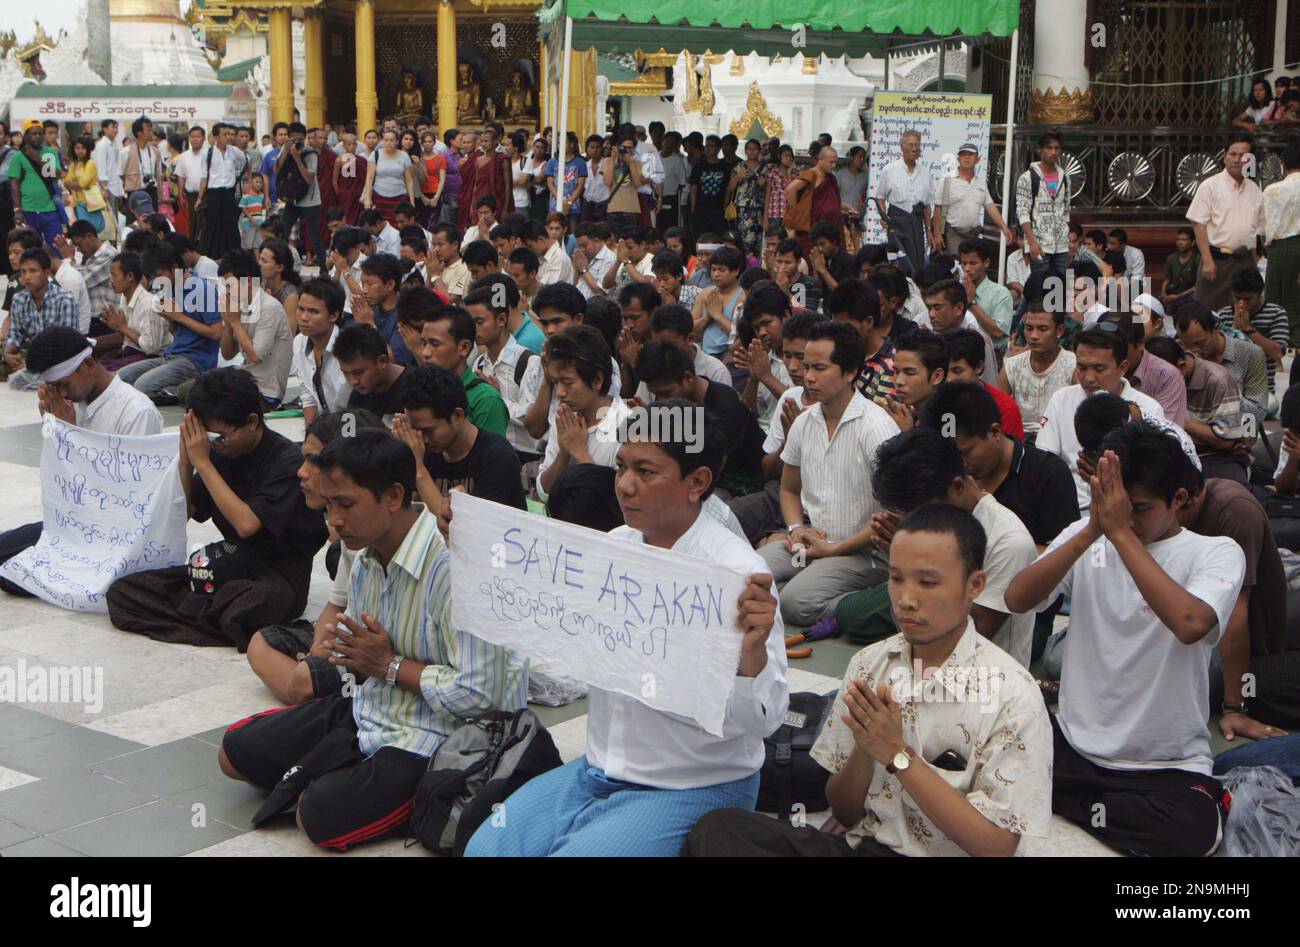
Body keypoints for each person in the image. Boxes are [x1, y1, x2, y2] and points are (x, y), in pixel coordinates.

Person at [466, 400, 788, 857]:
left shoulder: (737, 575)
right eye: (620, 467)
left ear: (697, 482)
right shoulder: (614, 549)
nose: (624, 486)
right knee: (484, 849)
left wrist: (750, 657)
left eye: (645, 471)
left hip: (692, 783)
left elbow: (763, 721)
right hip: (598, 769)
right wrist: (477, 555)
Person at [219, 428, 527, 851]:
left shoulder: (458, 569)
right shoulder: (364, 557)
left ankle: (374, 782)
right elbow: (363, 660)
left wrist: (389, 666)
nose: (334, 520)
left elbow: (485, 696)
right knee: (233, 753)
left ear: (394, 496)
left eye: (346, 504)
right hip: (370, 707)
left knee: (316, 816)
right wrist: (348, 656)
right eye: (329, 505)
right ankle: (346, 763)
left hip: (440, 735)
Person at [688, 503, 1051, 857]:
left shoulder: (1011, 693)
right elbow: (845, 815)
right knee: (718, 830)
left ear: (975, 585)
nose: (906, 599)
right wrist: (865, 748)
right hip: (866, 845)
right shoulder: (871, 663)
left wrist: (898, 754)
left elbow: (996, 847)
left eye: (927, 582)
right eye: (896, 578)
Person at [1005, 423, 1245, 857]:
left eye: (1140, 509)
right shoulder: (1090, 537)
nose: (1128, 520)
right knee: (983, 760)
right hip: (1075, 748)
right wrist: (1090, 532)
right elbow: (1017, 598)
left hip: (1164, 765)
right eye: (1118, 507)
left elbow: (1191, 623)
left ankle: (1070, 807)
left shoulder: (1216, 552)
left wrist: (1116, 532)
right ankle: (1090, 810)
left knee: (1192, 830)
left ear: (1178, 500)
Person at [107, 368, 329, 649]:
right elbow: (184, 512)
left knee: (250, 605)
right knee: (123, 591)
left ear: (251, 421)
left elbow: (246, 525)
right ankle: (213, 622)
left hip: (278, 575)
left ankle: (199, 615)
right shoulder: (218, 454)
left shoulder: (287, 461)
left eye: (221, 436)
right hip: (228, 563)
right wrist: (186, 464)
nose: (216, 445)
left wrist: (203, 463)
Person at [0, 326, 164, 592]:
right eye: (54, 387)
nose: (61, 394)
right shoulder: (73, 403)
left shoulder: (135, 412)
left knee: (12, 576)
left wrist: (72, 435)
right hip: (74, 525)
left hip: (111, 538)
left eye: (63, 385)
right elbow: (61, 484)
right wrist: (56, 433)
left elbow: (126, 501)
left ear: (88, 364)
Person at [758, 321, 898, 628]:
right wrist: (795, 529)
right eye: (807, 366)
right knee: (747, 572)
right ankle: (803, 587)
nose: (807, 376)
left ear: (850, 372)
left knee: (796, 603)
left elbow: (895, 512)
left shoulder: (875, 427)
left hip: (866, 554)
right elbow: (788, 490)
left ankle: (870, 603)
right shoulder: (804, 422)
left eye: (819, 368)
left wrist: (833, 549)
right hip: (811, 544)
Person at [245, 409, 388, 704]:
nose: (302, 471)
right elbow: (336, 604)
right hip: (344, 642)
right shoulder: (346, 529)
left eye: (315, 461)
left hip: (372, 653)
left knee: (301, 680)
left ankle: (321, 698)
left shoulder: (371, 527)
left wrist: (317, 661)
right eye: (304, 458)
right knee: (260, 644)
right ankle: (320, 696)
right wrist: (315, 654)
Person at [872, 426, 1038, 667]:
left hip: (985, 684)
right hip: (924, 667)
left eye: (921, 509)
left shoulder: (1008, 541)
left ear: (958, 486)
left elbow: (973, 636)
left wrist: (913, 568)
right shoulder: (930, 530)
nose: (914, 519)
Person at [1037, 325, 1168, 512]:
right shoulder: (1061, 398)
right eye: (1081, 368)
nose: (1088, 378)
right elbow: (1045, 459)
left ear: (1122, 367)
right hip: (1067, 507)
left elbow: (1154, 475)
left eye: (1099, 369)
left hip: (1127, 511)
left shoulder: (1148, 409)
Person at [393, 363, 526, 527]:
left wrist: (419, 469)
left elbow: (458, 529)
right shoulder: (422, 448)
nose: (422, 439)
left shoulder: (497, 456)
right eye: (414, 429)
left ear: (457, 416)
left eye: (428, 430)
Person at [636, 340, 765, 499]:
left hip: (737, 483)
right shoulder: (675, 406)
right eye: (656, 395)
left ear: (688, 378)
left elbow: (712, 470)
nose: (661, 401)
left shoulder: (725, 407)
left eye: (666, 393)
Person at [536, 324, 632, 501]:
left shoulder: (627, 428)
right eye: (556, 382)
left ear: (597, 380)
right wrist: (564, 453)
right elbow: (544, 492)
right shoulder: (566, 419)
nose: (559, 392)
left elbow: (614, 504)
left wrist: (580, 453)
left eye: (568, 382)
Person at [464, 278, 542, 461]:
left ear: (501, 320)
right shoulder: (479, 364)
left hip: (524, 457)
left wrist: (498, 398)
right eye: (470, 322)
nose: (473, 329)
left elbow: (532, 421)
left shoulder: (528, 362)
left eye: (479, 322)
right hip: (491, 454)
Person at [1187, 131, 1264, 311]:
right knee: (1206, 312)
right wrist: (1207, 260)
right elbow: (1198, 224)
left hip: (1245, 261)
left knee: (1245, 312)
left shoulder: (1255, 190)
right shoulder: (1210, 186)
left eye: (1244, 156)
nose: (1237, 160)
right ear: (1225, 157)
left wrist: (1257, 264)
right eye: (1233, 154)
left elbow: (1258, 230)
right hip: (1216, 260)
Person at [415, 304, 509, 436]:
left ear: (464, 348)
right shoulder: (420, 390)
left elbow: (492, 454)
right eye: (424, 343)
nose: (425, 352)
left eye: (435, 344)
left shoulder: (485, 401)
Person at [1173, 298, 1268, 428]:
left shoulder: (1251, 353)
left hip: (1240, 428)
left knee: (1248, 431)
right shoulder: (1180, 355)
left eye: (1200, 343)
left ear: (1215, 329)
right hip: (1195, 428)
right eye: (1187, 345)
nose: (1194, 350)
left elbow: (1259, 411)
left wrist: (1225, 394)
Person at [216, 249, 293, 407]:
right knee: (191, 389)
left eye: (230, 285)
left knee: (207, 399)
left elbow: (256, 356)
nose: (227, 291)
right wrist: (229, 324)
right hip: (245, 380)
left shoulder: (269, 307)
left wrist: (235, 323)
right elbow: (227, 354)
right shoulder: (238, 304)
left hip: (266, 392)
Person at [999, 294, 1076, 443]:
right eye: (1029, 328)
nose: (1034, 336)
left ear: (1059, 331)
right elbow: (997, 409)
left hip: (1060, 441)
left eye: (1042, 329)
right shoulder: (1011, 365)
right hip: (1018, 442)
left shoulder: (1073, 366)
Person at [4, 247, 81, 389]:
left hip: (57, 357)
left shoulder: (64, 300)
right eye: (23, 271)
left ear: (47, 273)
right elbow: (15, 332)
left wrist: (35, 362)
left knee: (62, 371)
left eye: (33, 271)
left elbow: (69, 344)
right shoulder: (19, 299)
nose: (27, 277)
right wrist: (9, 352)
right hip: (30, 353)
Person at [1213, 266, 1287, 397]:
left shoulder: (1276, 313)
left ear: (1260, 294)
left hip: (1261, 390)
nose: (1242, 304)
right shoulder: (1223, 315)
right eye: (1237, 298)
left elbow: (1277, 353)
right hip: (1229, 389)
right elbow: (1218, 356)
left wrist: (1248, 329)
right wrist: (1235, 329)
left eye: (1248, 299)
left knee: (1270, 407)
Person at [942, 329, 1025, 440]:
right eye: (944, 371)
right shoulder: (938, 402)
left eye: (957, 371)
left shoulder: (1004, 408)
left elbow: (1011, 454)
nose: (949, 379)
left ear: (979, 367)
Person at [99, 249, 171, 370]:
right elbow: (128, 339)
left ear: (130, 276)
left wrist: (122, 327)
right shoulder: (124, 297)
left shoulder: (149, 304)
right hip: (132, 352)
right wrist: (116, 326)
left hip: (153, 358)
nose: (111, 280)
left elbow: (151, 348)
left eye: (114, 275)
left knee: (109, 374)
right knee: (98, 365)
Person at [920, 280, 999, 388]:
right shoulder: (929, 339)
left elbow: (989, 386)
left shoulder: (980, 341)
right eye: (929, 308)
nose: (931, 314)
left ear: (958, 308)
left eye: (937, 308)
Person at [873, 131, 932, 274]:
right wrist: (883, 217)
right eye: (910, 145)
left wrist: (929, 230)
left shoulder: (925, 173)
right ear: (902, 147)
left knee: (916, 263)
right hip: (896, 223)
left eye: (917, 145)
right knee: (897, 262)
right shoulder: (890, 170)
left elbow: (926, 205)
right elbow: (880, 197)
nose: (914, 149)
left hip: (916, 224)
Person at [293, 277, 347, 423]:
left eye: (313, 312)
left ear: (333, 316)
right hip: (325, 425)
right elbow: (308, 396)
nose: (304, 317)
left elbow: (354, 407)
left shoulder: (348, 348)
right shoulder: (299, 342)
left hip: (353, 424)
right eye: (301, 309)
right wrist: (311, 434)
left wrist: (345, 441)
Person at [1263, 142, 1300, 346]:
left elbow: (1262, 228)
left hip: (1278, 247)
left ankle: (1277, 345)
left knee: (1275, 298)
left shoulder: (1272, 190)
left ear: (1284, 165)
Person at [352, 252, 416, 366]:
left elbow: (395, 360)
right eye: (362, 284)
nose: (364, 290)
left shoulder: (406, 315)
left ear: (390, 284)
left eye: (370, 284)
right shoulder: (373, 308)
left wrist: (369, 325)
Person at [335, 322, 410, 418]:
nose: (353, 381)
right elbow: (348, 432)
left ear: (382, 361)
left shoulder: (414, 389)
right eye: (345, 373)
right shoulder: (357, 395)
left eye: (358, 372)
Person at [10, 120, 65, 248]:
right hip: (28, 210)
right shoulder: (18, 156)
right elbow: (14, 184)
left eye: (40, 133)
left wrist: (38, 160)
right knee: (31, 248)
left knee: (57, 246)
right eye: (33, 134)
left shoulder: (50, 152)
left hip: (49, 208)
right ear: (26, 135)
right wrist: (17, 209)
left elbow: (56, 175)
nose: (37, 137)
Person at [958, 238, 1014, 355]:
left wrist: (971, 303)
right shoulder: (955, 290)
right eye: (963, 263)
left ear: (986, 263)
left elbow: (998, 332)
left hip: (992, 354)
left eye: (973, 263)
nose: (967, 268)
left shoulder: (1000, 293)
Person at [361, 129, 416, 224]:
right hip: (379, 196)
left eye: (391, 140)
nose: (389, 143)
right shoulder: (375, 155)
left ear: (397, 141)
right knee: (379, 225)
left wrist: (412, 201)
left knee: (398, 224)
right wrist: (367, 198)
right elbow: (369, 178)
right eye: (386, 140)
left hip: (399, 196)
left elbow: (409, 181)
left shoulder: (404, 156)